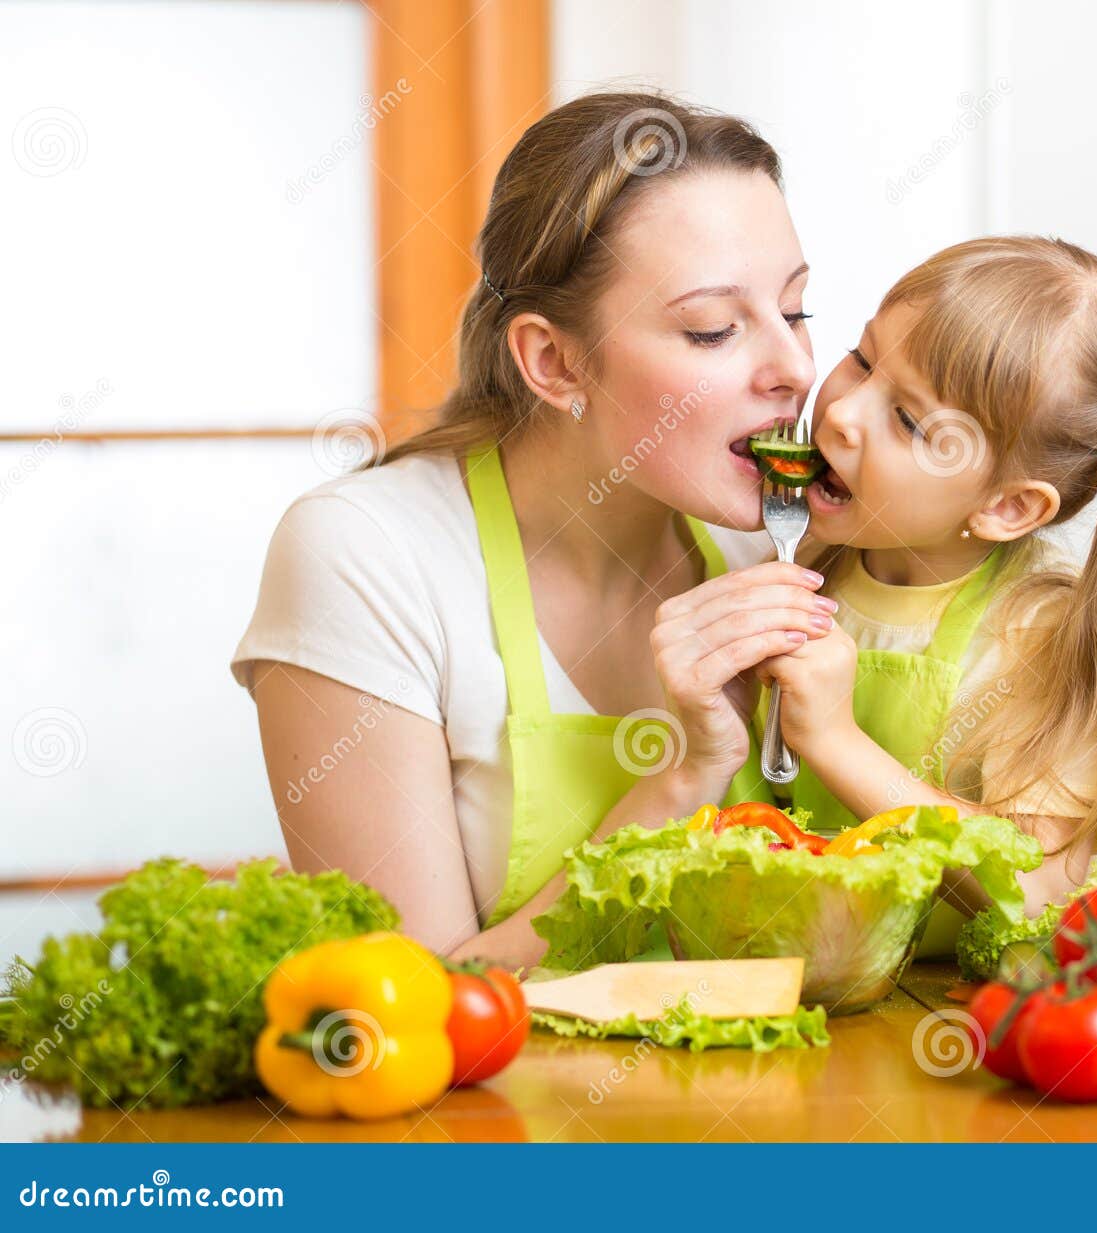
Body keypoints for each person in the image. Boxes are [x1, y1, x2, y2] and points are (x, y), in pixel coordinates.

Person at [231, 92, 829, 966]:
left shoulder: (778, 546)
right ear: (554, 361)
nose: (795, 366)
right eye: (713, 329)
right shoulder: (368, 556)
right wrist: (679, 782)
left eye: (797, 310)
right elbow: (416, 1008)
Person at [758, 235, 1097, 948]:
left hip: (963, 1022)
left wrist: (835, 739)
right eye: (863, 358)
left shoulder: (1043, 634)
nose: (841, 413)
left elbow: (1033, 890)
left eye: (908, 419)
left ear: (1007, 507)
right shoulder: (798, 558)